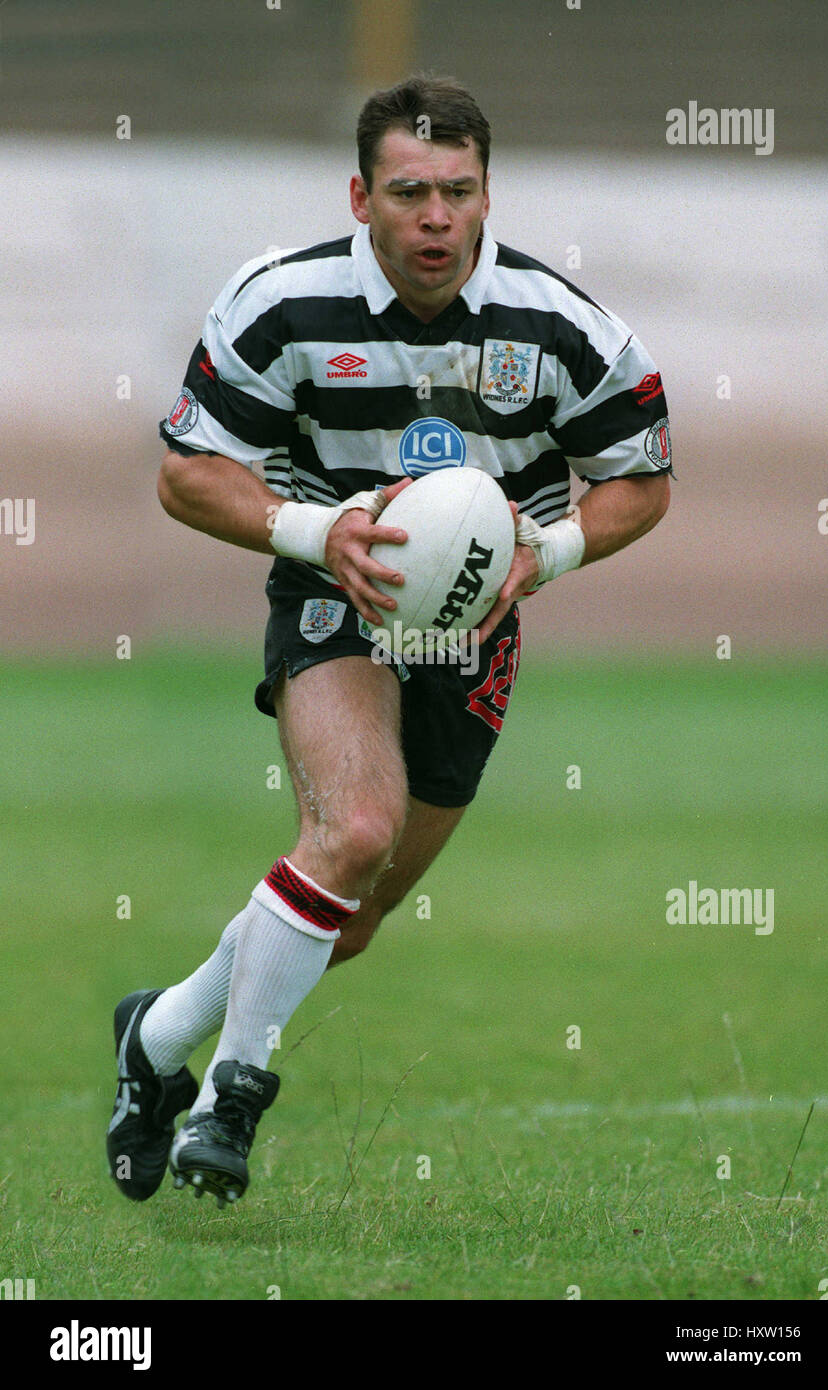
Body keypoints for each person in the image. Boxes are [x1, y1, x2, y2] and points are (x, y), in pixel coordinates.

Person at [106, 74, 672, 1208]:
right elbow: (186, 472)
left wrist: (545, 553)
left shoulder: (558, 324)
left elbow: (640, 479)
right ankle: (230, 1093)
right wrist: (318, 530)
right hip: (336, 600)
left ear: (485, 194)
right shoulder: (282, 303)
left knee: (347, 920)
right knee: (352, 827)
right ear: (359, 196)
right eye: (409, 191)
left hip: (475, 632)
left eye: (458, 192)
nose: (435, 218)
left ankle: (153, 1039)